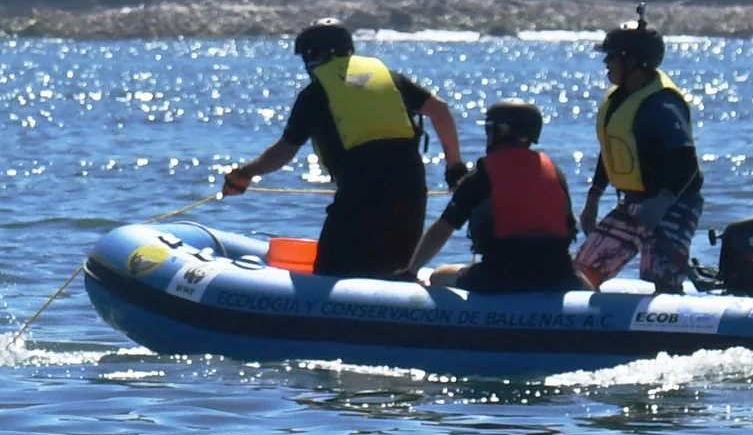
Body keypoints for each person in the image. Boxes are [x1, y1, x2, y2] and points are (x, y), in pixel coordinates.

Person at [224, 19, 464, 279]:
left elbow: (284, 151)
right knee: (396, 270)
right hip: (411, 181)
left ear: (315, 56)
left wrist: (245, 173)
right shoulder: (390, 78)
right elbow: (439, 109)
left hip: (364, 185)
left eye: (307, 56)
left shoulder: (315, 94)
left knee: (332, 272)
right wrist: (454, 166)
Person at [575, 7, 702, 292]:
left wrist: (662, 203)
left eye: (612, 58)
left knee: (661, 280)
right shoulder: (620, 100)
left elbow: (686, 160)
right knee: (582, 273)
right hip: (633, 202)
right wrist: (594, 198)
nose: (606, 64)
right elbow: (612, 151)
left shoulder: (661, 105)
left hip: (674, 203)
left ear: (633, 62)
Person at [409, 99, 582, 292]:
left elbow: (442, 230)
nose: (487, 136)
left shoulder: (483, 174)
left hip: (501, 274)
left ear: (503, 131)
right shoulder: (554, 171)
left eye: (490, 130)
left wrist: (410, 271)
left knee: (439, 274)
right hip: (558, 273)